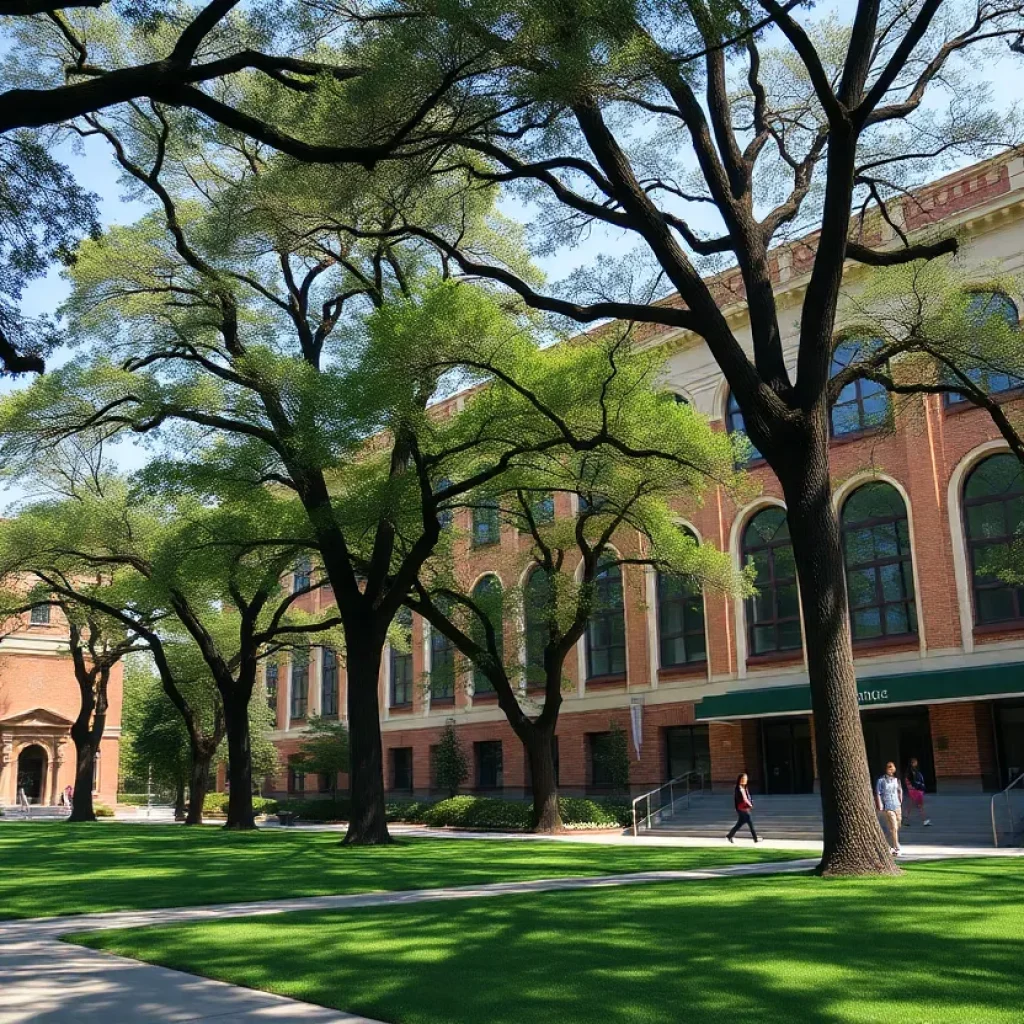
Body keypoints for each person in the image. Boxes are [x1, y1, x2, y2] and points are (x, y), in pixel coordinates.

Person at [875, 761, 903, 855]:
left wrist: (900, 799)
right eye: (889, 768)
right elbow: (878, 793)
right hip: (888, 805)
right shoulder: (881, 780)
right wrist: (880, 804)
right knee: (894, 826)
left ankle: (890, 843)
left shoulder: (896, 780)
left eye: (892, 768)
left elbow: (900, 789)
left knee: (897, 825)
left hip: (897, 805)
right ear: (886, 769)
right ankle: (896, 847)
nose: (891, 770)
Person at [727, 772, 761, 843]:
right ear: (739, 779)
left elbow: (747, 797)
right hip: (742, 808)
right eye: (743, 778)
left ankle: (730, 835)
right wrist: (749, 804)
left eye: (745, 779)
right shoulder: (738, 788)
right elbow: (743, 799)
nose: (744, 780)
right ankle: (755, 838)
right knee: (750, 823)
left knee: (739, 823)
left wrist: (750, 802)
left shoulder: (744, 788)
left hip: (744, 808)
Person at [903, 758, 930, 827]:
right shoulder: (912, 772)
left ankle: (906, 820)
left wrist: (910, 788)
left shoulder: (910, 771)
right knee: (920, 806)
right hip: (915, 791)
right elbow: (910, 781)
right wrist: (916, 787)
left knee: (911, 805)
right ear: (913, 763)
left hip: (912, 791)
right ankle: (924, 821)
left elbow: (907, 781)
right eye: (915, 762)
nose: (916, 764)